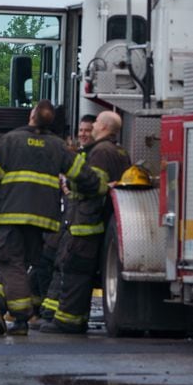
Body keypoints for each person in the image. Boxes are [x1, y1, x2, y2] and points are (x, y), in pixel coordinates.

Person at [0, 100, 98, 337]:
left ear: (32, 115)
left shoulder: (11, 140)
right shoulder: (58, 146)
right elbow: (82, 175)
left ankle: (20, 318)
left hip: (9, 215)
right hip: (43, 221)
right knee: (18, 264)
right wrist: (99, 188)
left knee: (10, 261)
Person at [47, 110, 130, 335]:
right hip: (97, 221)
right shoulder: (118, 151)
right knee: (77, 269)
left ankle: (68, 321)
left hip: (87, 221)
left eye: (95, 125)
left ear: (103, 127)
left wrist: (71, 184)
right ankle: (70, 318)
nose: (91, 128)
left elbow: (94, 184)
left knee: (75, 269)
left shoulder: (101, 152)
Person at [37, 114, 98, 324]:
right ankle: (45, 309)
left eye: (87, 130)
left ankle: (47, 310)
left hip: (76, 222)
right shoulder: (80, 155)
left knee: (59, 264)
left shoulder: (93, 156)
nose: (83, 134)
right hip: (67, 220)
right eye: (81, 130)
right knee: (51, 262)